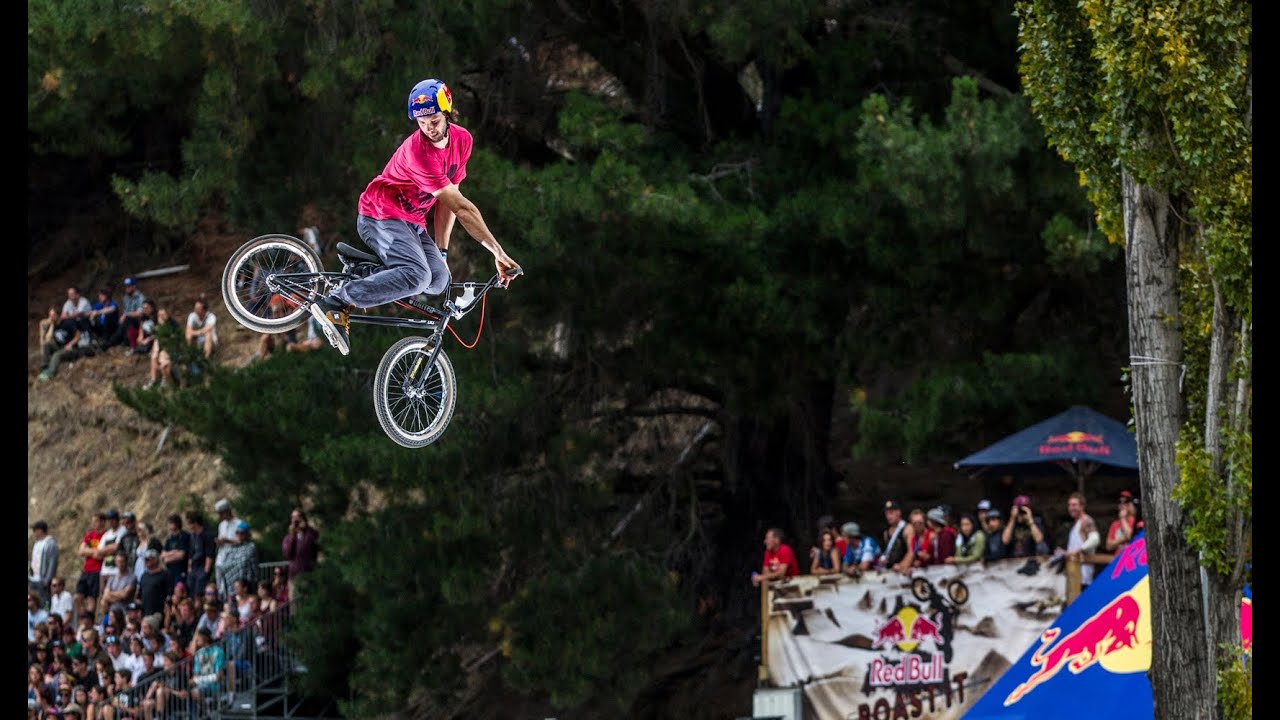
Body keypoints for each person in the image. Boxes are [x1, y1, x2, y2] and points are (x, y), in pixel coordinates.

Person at [309, 77, 520, 355]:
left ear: (446, 111)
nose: (428, 128)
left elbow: (448, 203)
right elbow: (465, 208)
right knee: (417, 276)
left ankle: (368, 271)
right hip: (380, 215)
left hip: (412, 223)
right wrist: (498, 252)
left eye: (433, 119)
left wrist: (442, 253)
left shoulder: (462, 140)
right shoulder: (418, 152)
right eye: (421, 122)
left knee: (439, 280)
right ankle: (337, 301)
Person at [1060, 492, 1101, 587]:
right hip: (1074, 572)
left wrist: (1077, 551)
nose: (1071, 508)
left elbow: (1095, 539)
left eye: (1074, 505)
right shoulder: (1077, 523)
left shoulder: (1086, 520)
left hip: (1083, 574)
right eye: (1069, 505)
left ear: (1082, 506)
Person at [282, 508, 320, 601]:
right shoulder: (288, 537)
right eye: (293, 517)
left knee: (308, 602)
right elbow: (288, 554)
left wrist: (306, 528)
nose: (295, 520)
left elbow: (316, 542)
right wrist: (293, 535)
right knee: (294, 605)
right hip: (294, 577)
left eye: (297, 517)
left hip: (308, 575)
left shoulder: (310, 534)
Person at [76, 513, 108, 623]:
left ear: (102, 522)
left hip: (97, 570)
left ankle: (89, 620)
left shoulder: (105, 536)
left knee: (91, 598)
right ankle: (83, 617)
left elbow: (101, 555)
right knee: (78, 597)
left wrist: (89, 552)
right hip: (86, 569)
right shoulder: (90, 535)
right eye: (93, 521)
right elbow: (81, 550)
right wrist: (94, 552)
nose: (93, 524)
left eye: (96, 521)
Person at [108, 277, 147, 349]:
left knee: (128, 318)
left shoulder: (140, 297)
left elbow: (140, 313)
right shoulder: (126, 298)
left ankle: (113, 341)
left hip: (138, 322)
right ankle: (117, 340)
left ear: (134, 287)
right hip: (128, 321)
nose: (126, 288)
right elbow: (125, 310)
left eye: (128, 286)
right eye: (125, 286)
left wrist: (125, 315)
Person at [878, 500, 915, 574]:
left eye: (891, 513)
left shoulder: (908, 528)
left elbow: (911, 552)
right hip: (891, 570)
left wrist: (902, 565)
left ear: (898, 512)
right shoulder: (886, 533)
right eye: (886, 514)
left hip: (904, 570)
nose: (888, 516)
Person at [30, 519, 60, 604]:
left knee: (45, 602)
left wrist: (47, 580)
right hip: (33, 579)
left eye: (35, 531)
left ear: (40, 530)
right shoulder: (37, 543)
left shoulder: (51, 544)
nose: (34, 533)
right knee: (34, 602)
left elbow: (52, 562)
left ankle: (47, 615)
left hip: (43, 580)